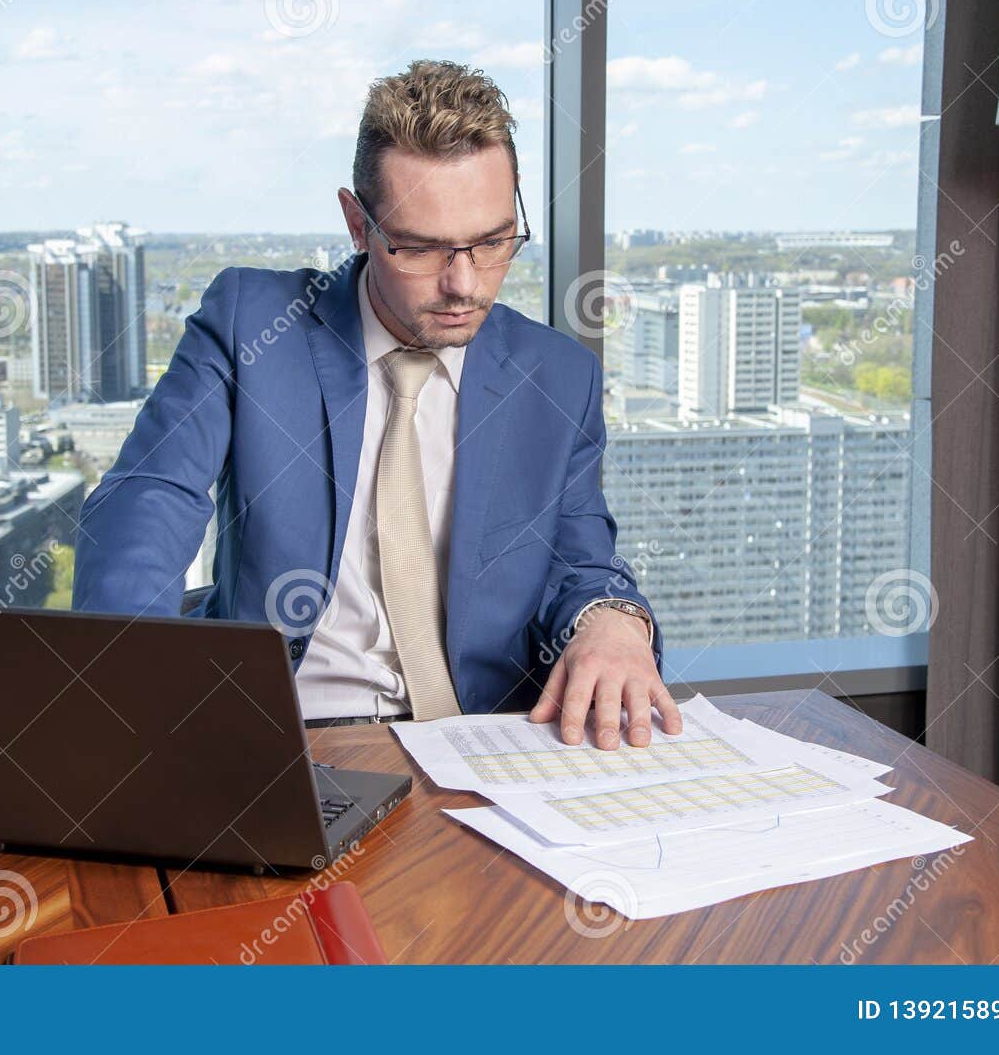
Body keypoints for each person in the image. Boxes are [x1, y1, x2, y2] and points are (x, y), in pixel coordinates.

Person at [74, 59, 681, 750]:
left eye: (491, 241)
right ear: (357, 224)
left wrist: (612, 619)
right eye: (420, 247)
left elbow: (580, 562)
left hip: (487, 745)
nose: (463, 284)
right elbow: (150, 494)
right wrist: (119, 690)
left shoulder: (558, 376)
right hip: (289, 740)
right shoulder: (254, 323)